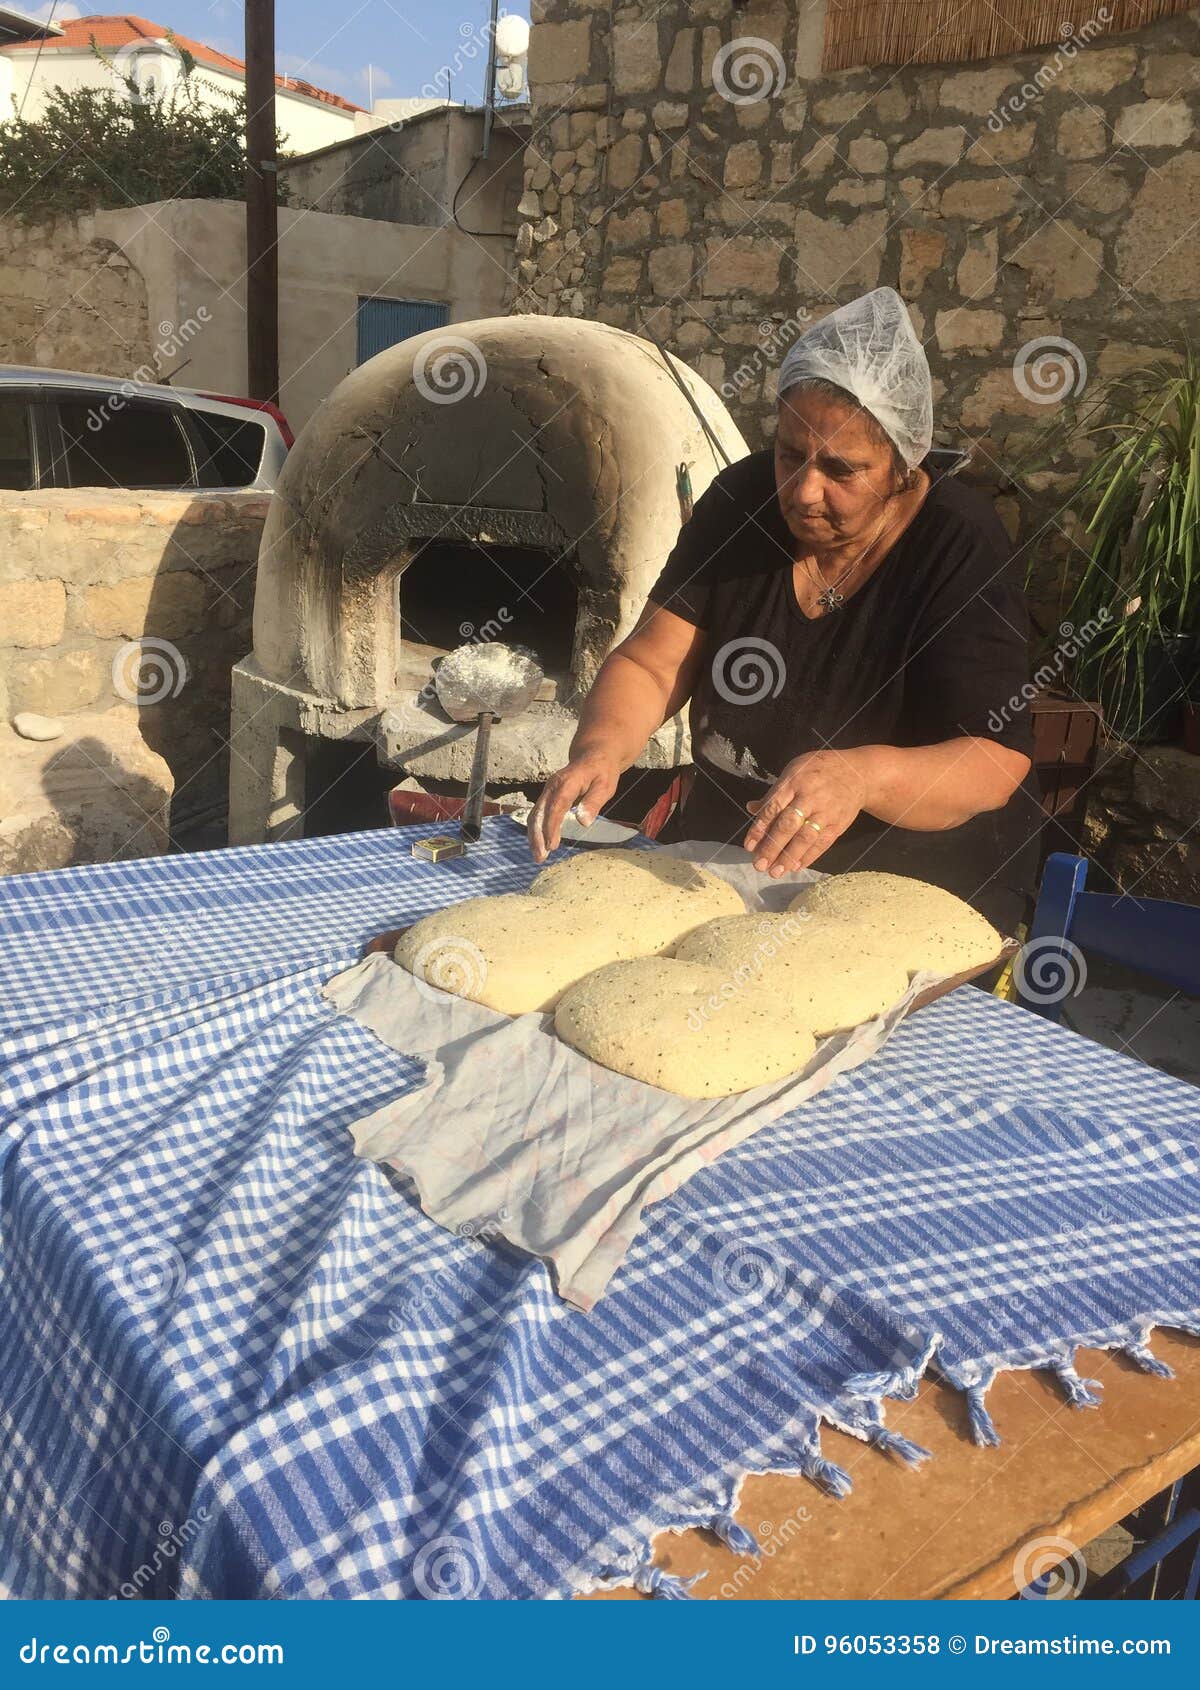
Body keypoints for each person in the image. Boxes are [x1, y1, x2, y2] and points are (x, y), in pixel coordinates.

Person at [529, 288, 1042, 936]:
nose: (802, 491)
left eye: (841, 468)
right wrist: (602, 751)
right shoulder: (738, 503)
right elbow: (654, 663)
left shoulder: (958, 543)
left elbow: (994, 761)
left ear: (903, 464)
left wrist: (862, 776)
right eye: (790, 453)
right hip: (728, 873)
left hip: (908, 898)